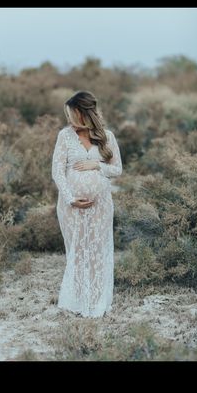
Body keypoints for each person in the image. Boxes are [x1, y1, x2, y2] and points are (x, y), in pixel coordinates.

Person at [51, 91, 122, 318]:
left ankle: (97, 301)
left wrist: (95, 165)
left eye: (72, 113)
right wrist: (71, 198)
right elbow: (57, 172)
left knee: (98, 250)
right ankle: (79, 301)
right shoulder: (65, 136)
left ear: (83, 113)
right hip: (72, 205)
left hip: (100, 206)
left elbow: (117, 170)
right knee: (79, 251)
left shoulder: (107, 136)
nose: (69, 117)